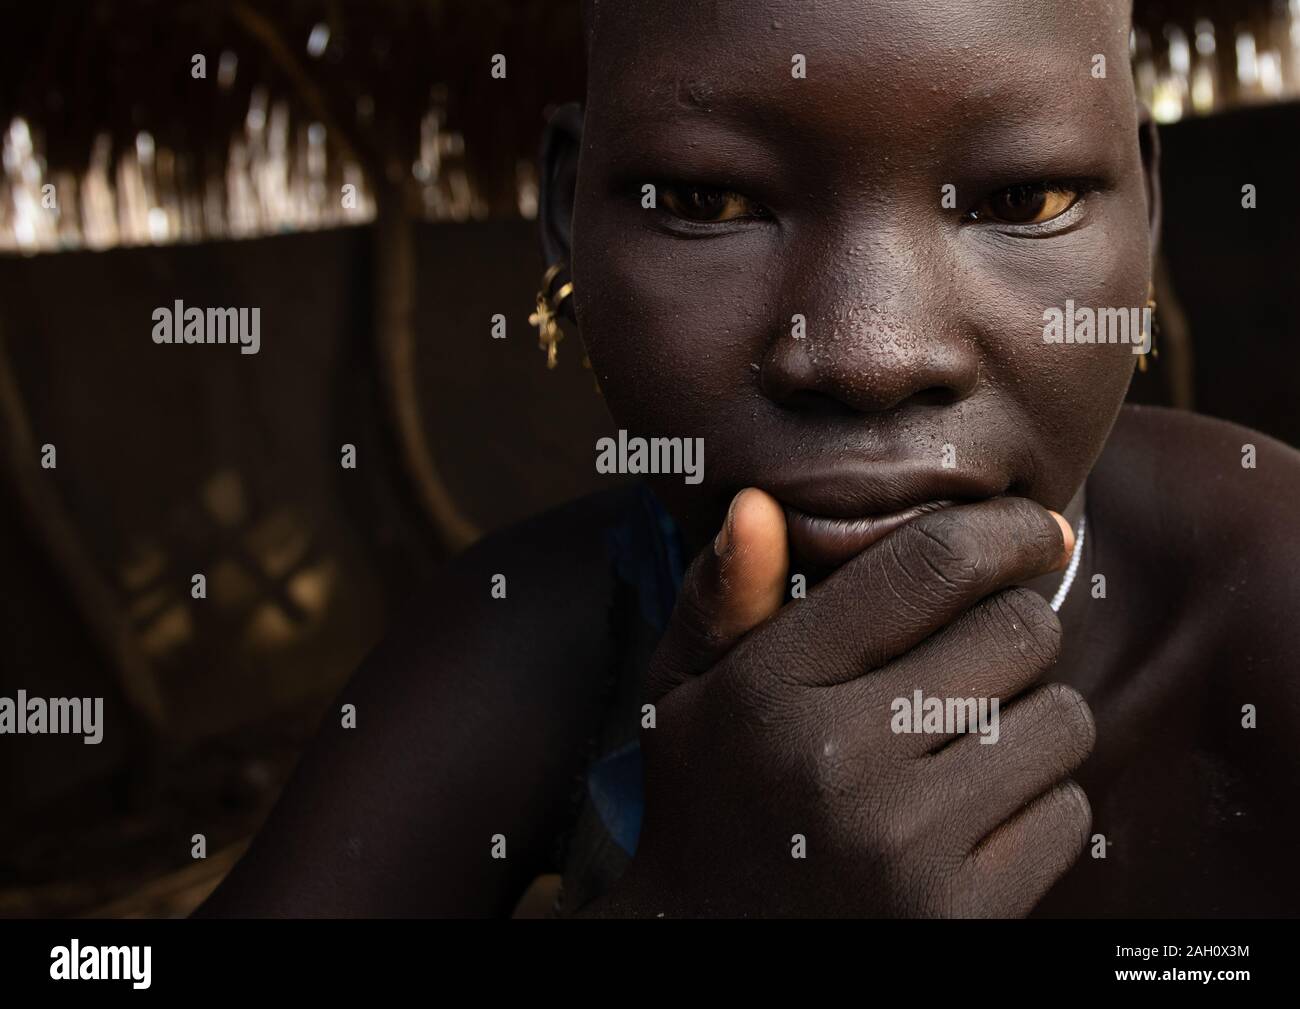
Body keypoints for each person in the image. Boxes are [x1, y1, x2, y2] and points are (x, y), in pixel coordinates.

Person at [196, 0, 1300, 917]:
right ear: (566, 219)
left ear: (1146, 208)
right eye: (707, 201)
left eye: (1021, 199)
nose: (867, 356)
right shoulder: (522, 637)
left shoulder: (1275, 592)